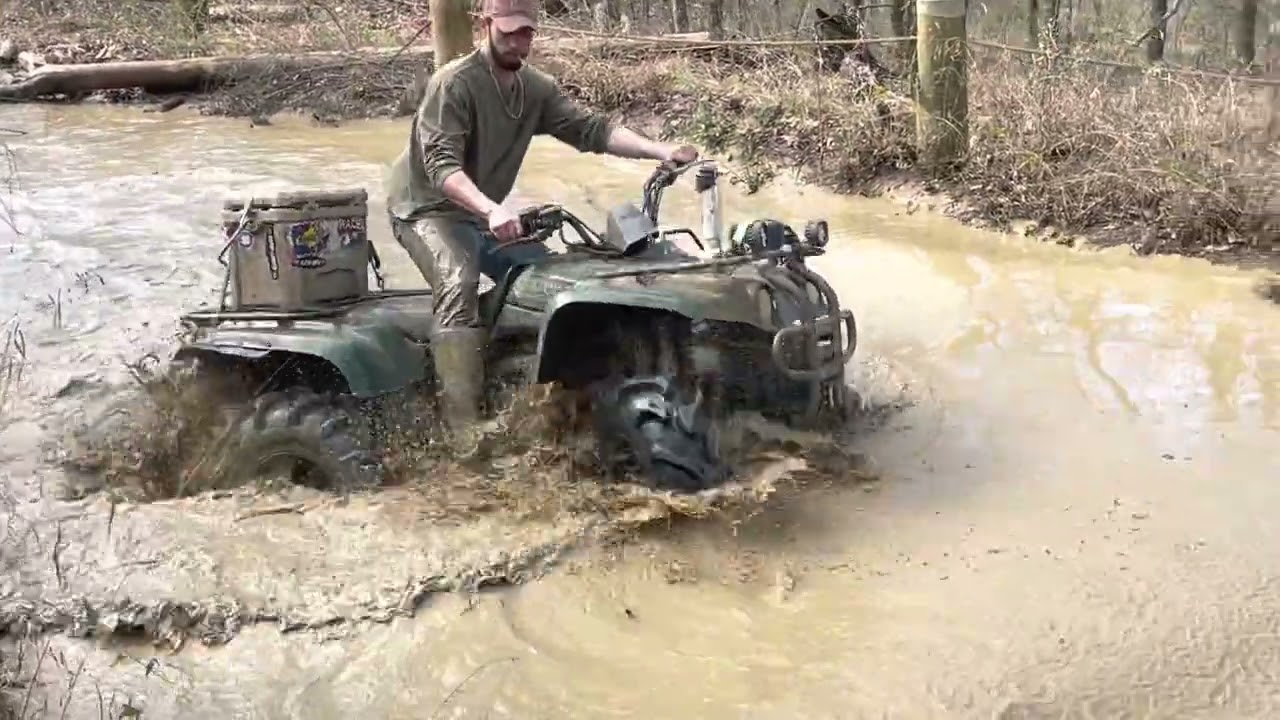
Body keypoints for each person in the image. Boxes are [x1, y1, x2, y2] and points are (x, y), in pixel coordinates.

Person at [385, 0, 698, 446]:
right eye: (508, 31)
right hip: (426, 206)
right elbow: (441, 167)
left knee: (543, 276)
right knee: (459, 281)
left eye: (525, 33)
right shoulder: (453, 83)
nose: (517, 42)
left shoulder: (535, 88)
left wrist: (658, 150)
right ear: (486, 25)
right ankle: (463, 429)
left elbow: (592, 129)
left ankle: (511, 369)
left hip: (484, 209)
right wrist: (491, 209)